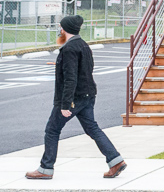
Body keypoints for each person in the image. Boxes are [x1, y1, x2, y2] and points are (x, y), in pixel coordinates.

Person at [25, 15, 126, 180]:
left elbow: (70, 78)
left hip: (74, 98)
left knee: (52, 130)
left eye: (60, 27)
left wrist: (65, 104)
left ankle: (46, 168)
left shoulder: (70, 49)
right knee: (92, 128)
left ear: (65, 29)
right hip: (88, 94)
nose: (59, 29)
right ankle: (115, 161)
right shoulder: (84, 45)